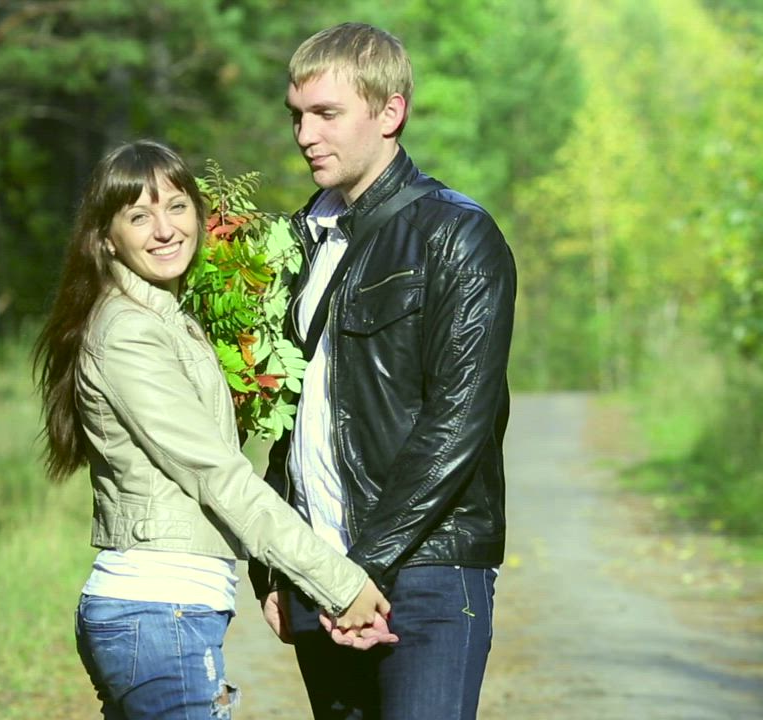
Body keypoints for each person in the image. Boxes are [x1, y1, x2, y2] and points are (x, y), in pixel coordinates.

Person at [33, 139, 394, 720]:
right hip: (157, 612)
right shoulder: (130, 332)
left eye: (176, 207)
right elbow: (216, 475)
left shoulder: (166, 316)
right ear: (106, 238)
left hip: (167, 614)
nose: (164, 229)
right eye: (138, 215)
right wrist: (339, 583)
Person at [248, 22, 517, 720]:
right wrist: (276, 566)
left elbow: (459, 422)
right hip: (318, 574)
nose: (305, 135)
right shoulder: (302, 239)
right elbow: (291, 415)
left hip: (425, 572)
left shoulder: (455, 234)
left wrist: (364, 569)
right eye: (297, 116)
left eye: (326, 114)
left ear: (389, 112)